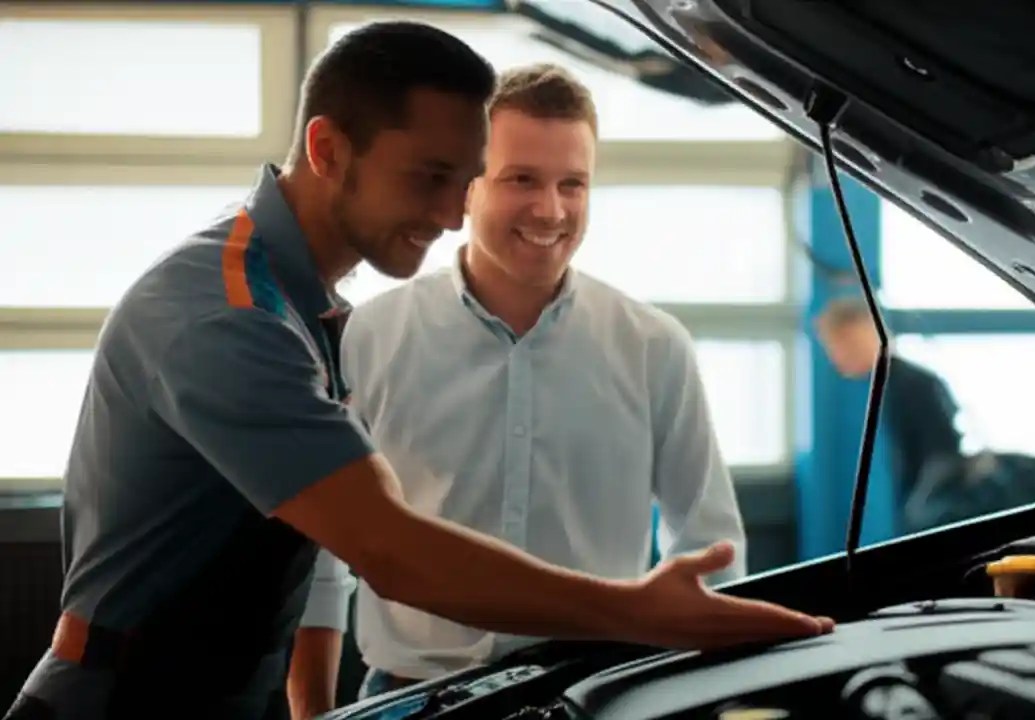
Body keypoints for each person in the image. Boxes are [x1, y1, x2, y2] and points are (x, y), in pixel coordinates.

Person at [3, 21, 831, 720]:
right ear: (328, 149)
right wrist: (637, 612)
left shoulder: (301, 302)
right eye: (433, 177)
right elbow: (390, 551)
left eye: (461, 180)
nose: (449, 214)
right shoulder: (233, 318)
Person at [285, 63, 749, 714]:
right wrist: (312, 712)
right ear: (466, 188)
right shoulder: (367, 338)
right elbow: (321, 558)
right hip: (412, 698)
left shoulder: (654, 347)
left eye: (572, 184)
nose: (551, 210)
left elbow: (711, 552)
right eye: (521, 179)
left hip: (598, 696)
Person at [814, 295, 964, 536]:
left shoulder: (913, 385)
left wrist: (919, 516)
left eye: (837, 345)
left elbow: (943, 457)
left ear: (860, 335)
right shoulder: (883, 387)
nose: (834, 357)